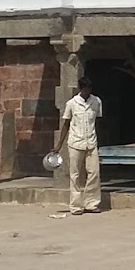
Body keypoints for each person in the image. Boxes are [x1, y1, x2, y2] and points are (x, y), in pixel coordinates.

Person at [52, 76, 103, 215]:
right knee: (75, 175)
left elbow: (97, 122)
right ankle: (76, 206)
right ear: (81, 89)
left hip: (91, 142)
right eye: (85, 90)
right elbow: (66, 124)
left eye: (89, 89)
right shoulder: (72, 104)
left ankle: (91, 203)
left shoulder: (96, 101)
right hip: (75, 143)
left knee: (94, 173)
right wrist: (59, 145)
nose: (87, 92)